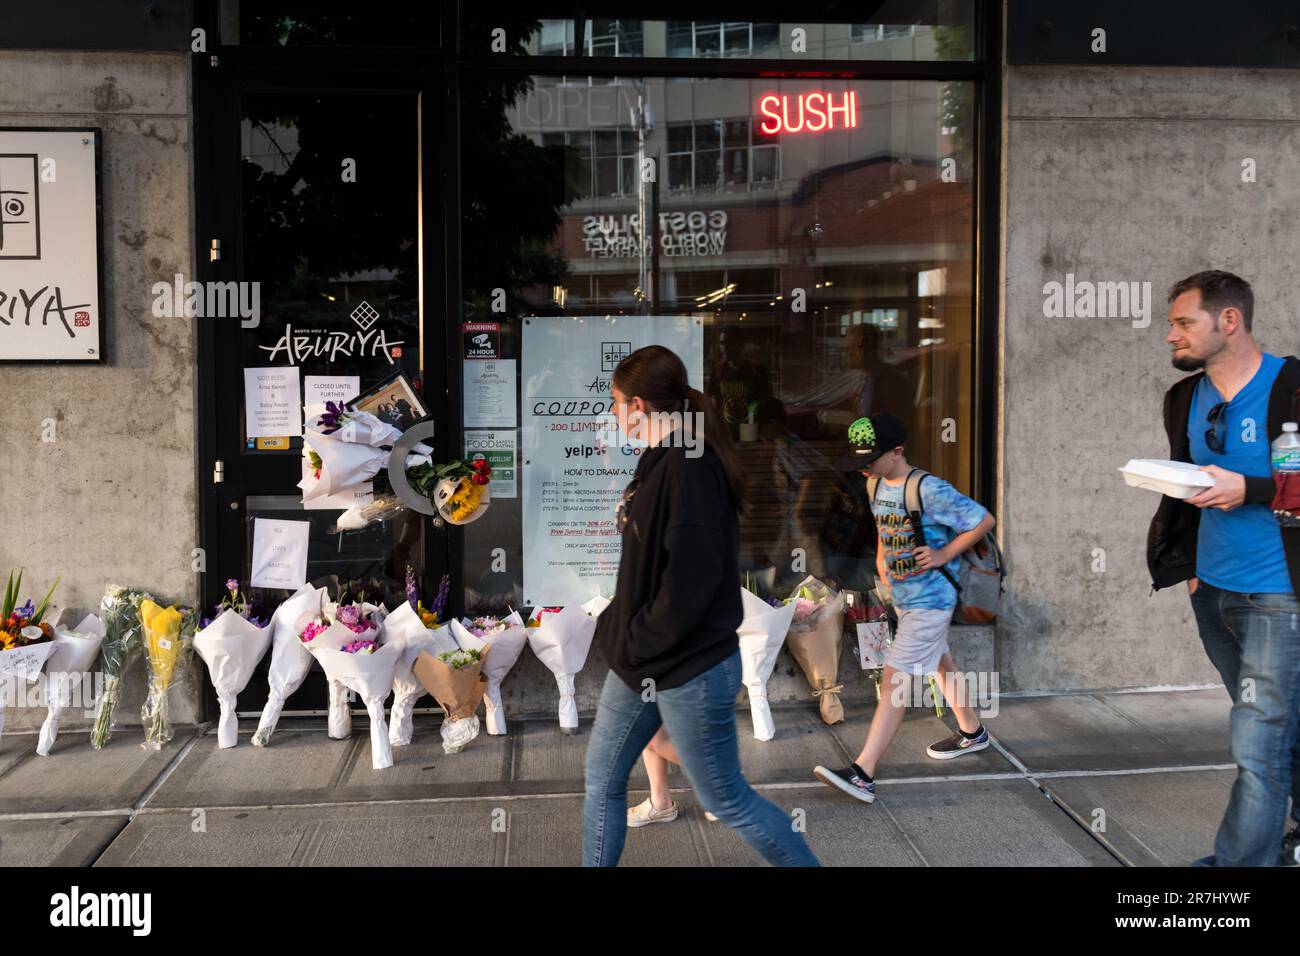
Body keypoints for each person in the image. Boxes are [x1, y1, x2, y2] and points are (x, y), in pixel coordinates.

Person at [583, 344, 820, 866]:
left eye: (616, 403)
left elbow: (688, 587)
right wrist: (626, 638)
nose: (612, 414)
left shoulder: (691, 470)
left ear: (639, 406)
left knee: (725, 798)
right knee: (602, 779)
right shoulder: (661, 459)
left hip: (686, 666)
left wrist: (634, 636)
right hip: (642, 662)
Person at [1148, 270, 1300, 867]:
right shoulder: (1184, 398)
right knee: (1281, 728)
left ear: (1228, 321)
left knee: (1258, 740)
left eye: (1183, 323)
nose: (1171, 337)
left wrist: (1252, 488)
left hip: (1278, 595)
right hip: (1212, 591)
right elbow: (1187, 489)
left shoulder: (1292, 387)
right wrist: (1189, 571)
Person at [813, 413, 995, 804]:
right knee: (941, 662)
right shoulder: (875, 484)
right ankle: (972, 731)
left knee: (896, 678)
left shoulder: (930, 489)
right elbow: (884, 526)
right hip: (903, 597)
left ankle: (863, 773)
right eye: (859, 460)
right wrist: (881, 560)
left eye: (871, 459)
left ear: (897, 452)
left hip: (932, 599)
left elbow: (982, 520)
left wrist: (944, 552)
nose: (863, 468)